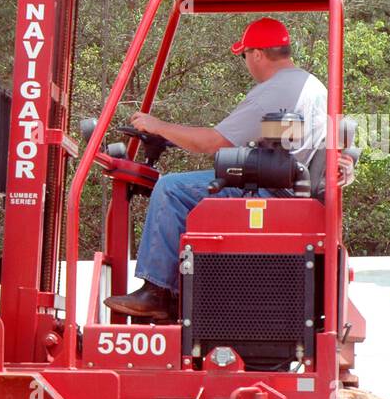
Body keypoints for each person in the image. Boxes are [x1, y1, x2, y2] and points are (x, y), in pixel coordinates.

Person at [104, 16, 354, 320]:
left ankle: (157, 293)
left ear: (258, 54)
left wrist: (158, 126)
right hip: (291, 190)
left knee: (170, 189)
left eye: (245, 55)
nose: (246, 63)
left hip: (270, 193)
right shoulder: (313, 85)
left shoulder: (273, 92)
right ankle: (179, 294)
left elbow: (214, 142)